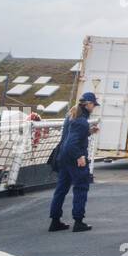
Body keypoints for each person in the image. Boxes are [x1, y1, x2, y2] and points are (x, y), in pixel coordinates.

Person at [48, 92, 99, 232]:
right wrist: (80, 156)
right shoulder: (81, 121)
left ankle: (55, 220)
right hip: (74, 158)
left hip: (63, 158)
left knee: (61, 189)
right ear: (88, 104)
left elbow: (71, 136)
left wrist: (89, 132)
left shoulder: (71, 116)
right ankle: (78, 221)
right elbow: (72, 143)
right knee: (81, 187)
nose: (94, 107)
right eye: (93, 104)